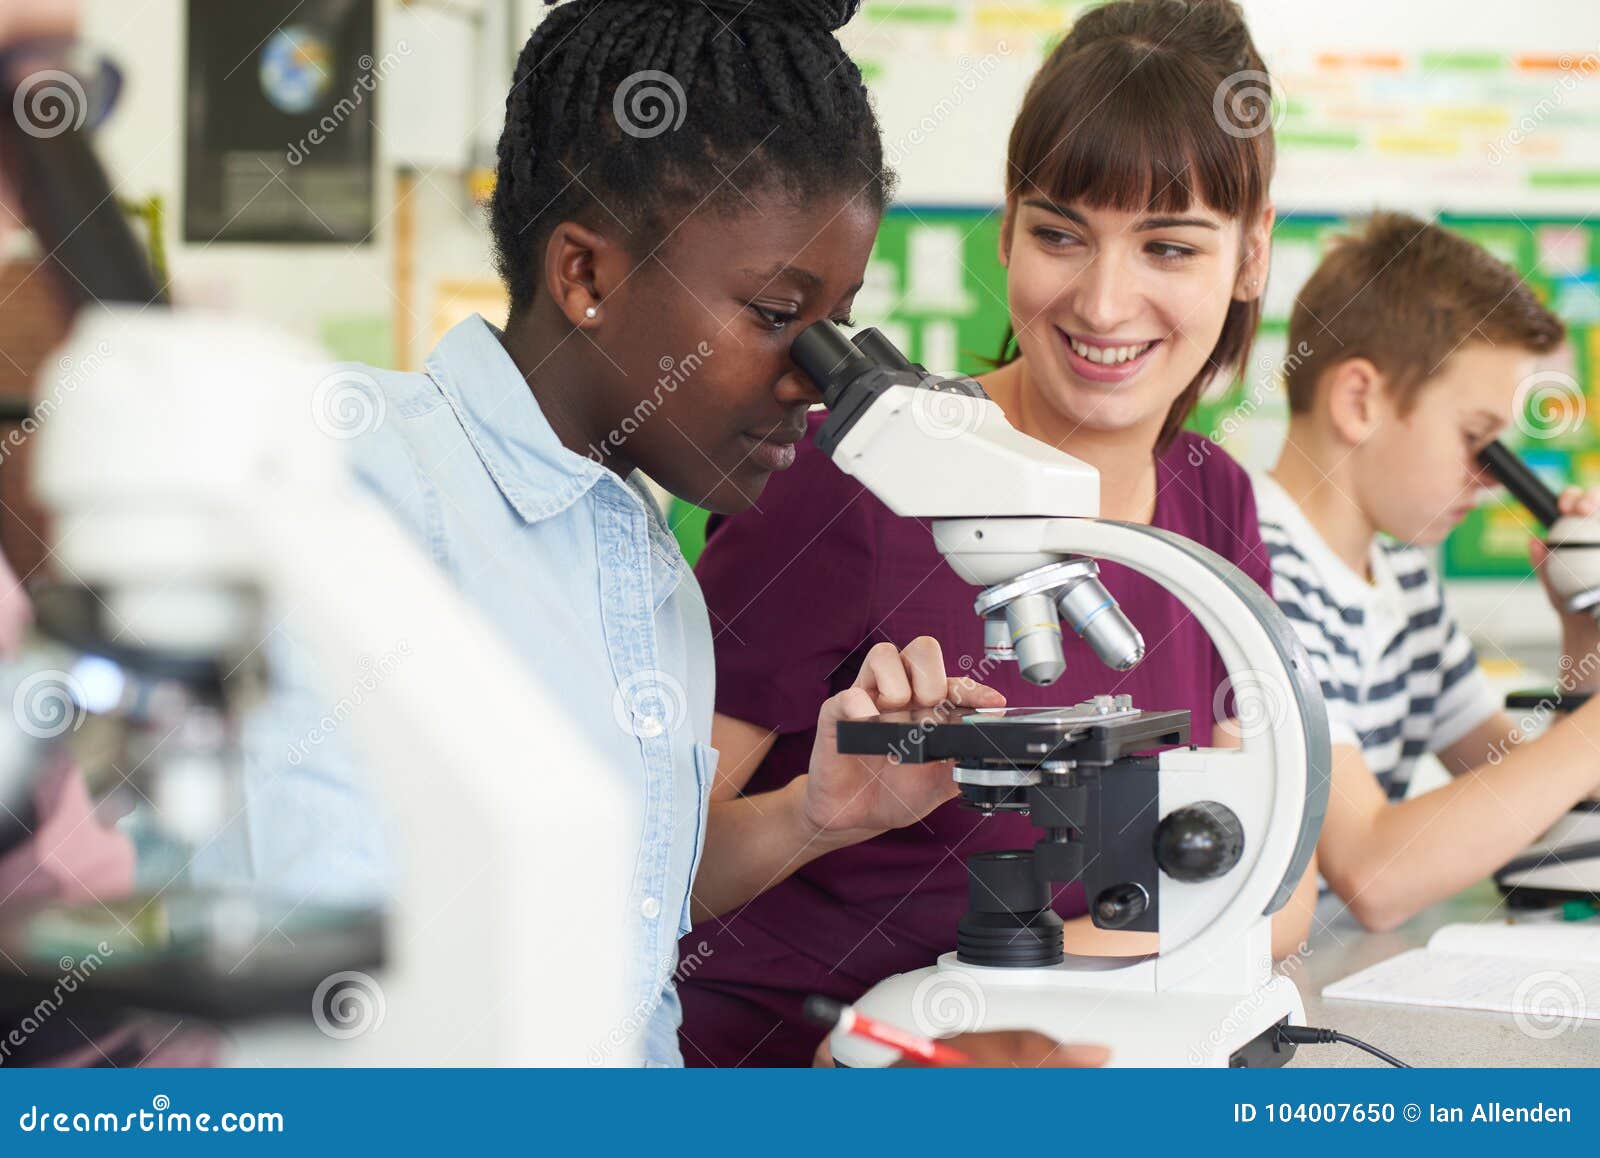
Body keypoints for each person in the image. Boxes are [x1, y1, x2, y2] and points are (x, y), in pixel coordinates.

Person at [190, 0, 1104, 1069]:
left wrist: (818, 814)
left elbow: (626, 917)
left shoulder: (642, 558)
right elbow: (316, 1019)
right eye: (773, 314)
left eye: (835, 325)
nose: (812, 383)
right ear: (584, 275)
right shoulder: (358, 490)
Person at [677, 0, 1318, 1068]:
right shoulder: (850, 474)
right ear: (1009, 227)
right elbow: (642, 877)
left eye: (1167, 245)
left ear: (1250, 257)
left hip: (1042, 1060)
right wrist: (819, 818)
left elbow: (1269, 880)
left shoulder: (1213, 499)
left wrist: (1005, 990)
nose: (1104, 304)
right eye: (1061, 234)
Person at [1259, 211, 1600, 932]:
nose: (1491, 478)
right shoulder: (1258, 570)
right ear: (1360, 401)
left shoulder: (1402, 582)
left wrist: (1583, 638)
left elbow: (1525, 818)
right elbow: (1375, 872)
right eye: (1477, 440)